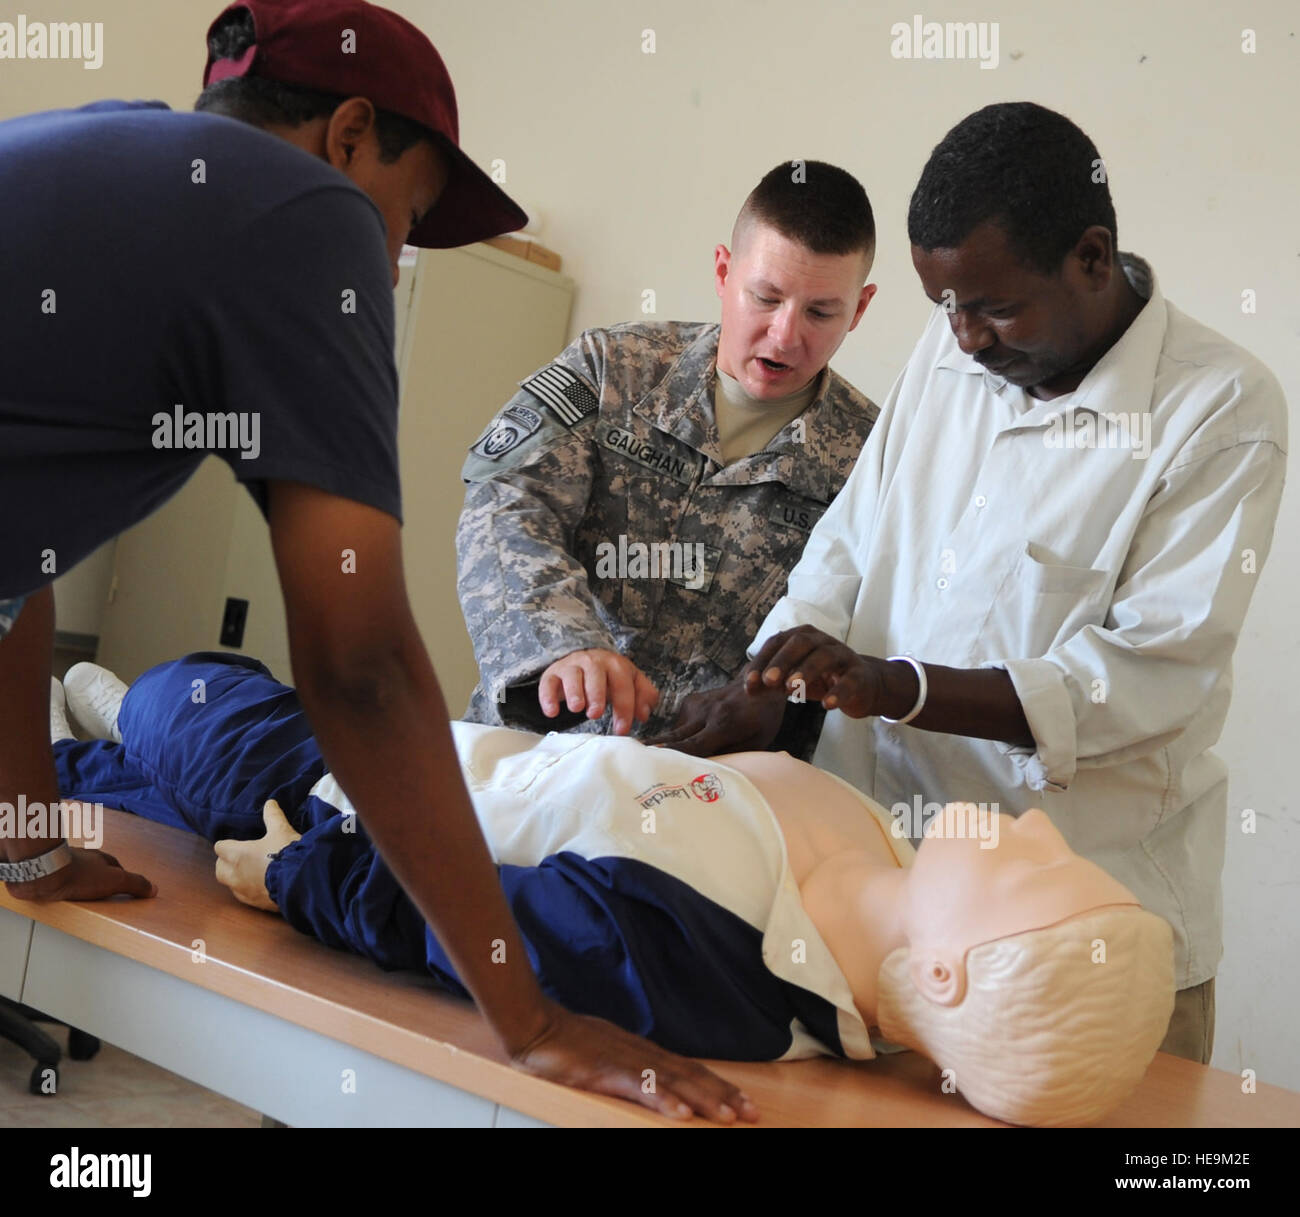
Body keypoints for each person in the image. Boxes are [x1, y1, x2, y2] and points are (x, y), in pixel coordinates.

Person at [0, 0, 750, 1121]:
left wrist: (26, 841)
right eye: (408, 214)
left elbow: (20, 561)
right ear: (348, 133)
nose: (391, 259)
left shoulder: (101, 153)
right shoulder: (301, 212)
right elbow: (361, 665)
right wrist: (531, 1020)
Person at [648, 102, 1288, 1066]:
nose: (966, 339)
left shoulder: (1219, 409)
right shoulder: (949, 355)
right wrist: (772, 685)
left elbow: (1149, 676)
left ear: (1091, 255)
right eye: (944, 306)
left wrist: (898, 686)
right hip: (883, 900)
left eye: (993, 307)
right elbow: (852, 542)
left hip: (1081, 934)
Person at [52, 655, 1173, 1127]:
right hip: (430, 742)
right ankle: (93, 746)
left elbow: (463, 936)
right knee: (137, 774)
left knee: (182, 692)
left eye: (1032, 866)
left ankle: (104, 716)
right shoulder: (877, 844)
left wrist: (299, 872)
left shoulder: (707, 966)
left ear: (943, 970)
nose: (1031, 824)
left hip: (322, 794)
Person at [456, 161, 879, 741]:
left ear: (858, 310)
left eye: (820, 312)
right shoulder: (612, 369)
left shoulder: (871, 458)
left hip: (708, 786)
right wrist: (565, 645)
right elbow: (507, 504)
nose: (785, 335)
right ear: (724, 273)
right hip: (540, 743)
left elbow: (856, 643)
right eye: (765, 297)